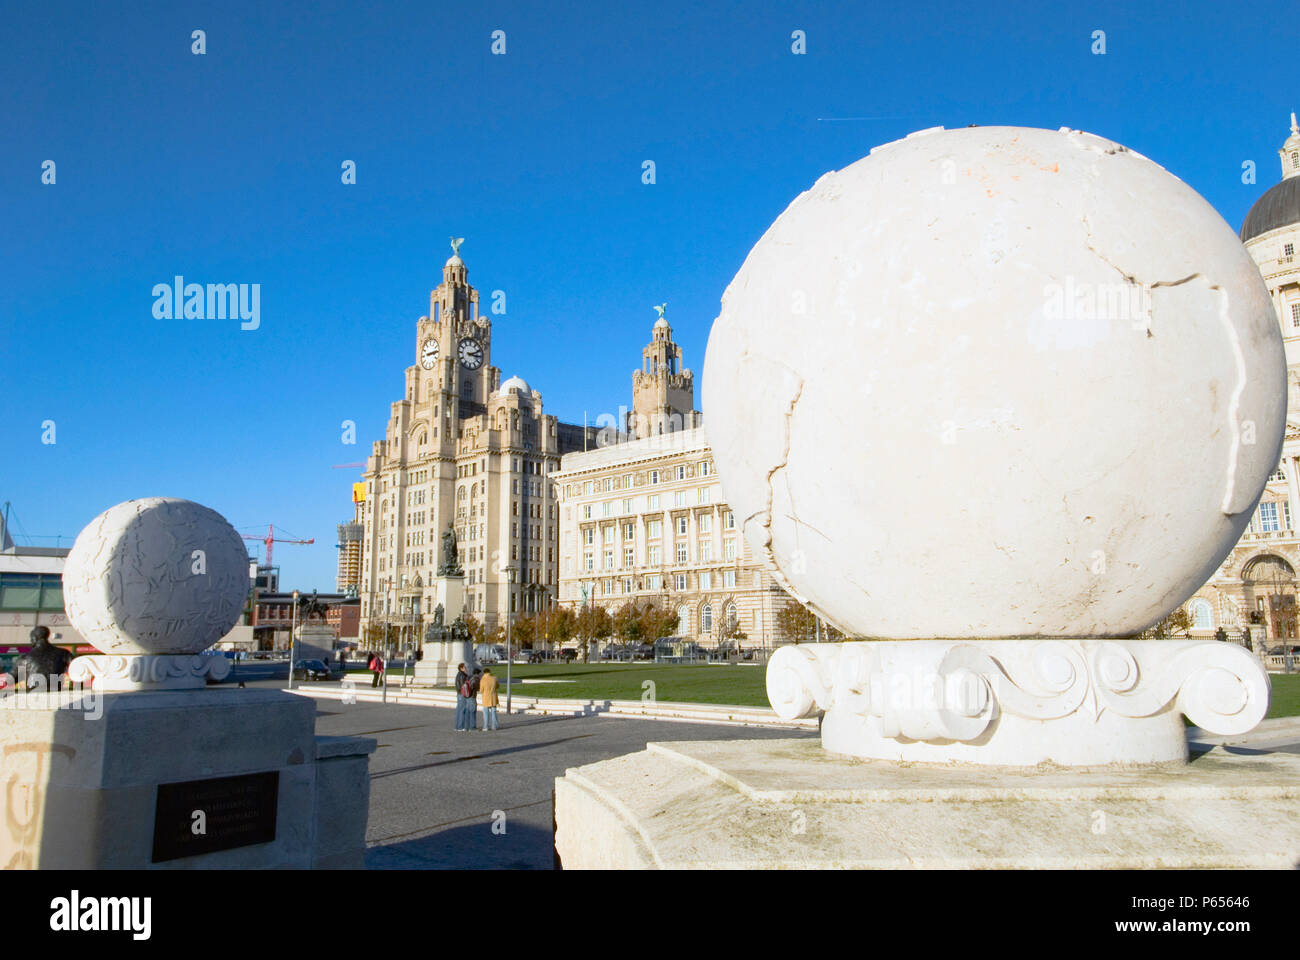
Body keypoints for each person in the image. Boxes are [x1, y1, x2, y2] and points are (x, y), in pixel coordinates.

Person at [455, 662, 471, 731]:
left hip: (459, 694)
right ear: (461, 668)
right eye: (465, 667)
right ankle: (461, 726)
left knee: (459, 710)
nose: (466, 669)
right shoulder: (462, 675)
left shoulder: (459, 674)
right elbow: (463, 686)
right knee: (462, 710)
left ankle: (457, 726)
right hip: (462, 694)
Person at [467, 668, 483, 732]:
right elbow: (476, 687)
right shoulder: (476, 679)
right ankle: (472, 727)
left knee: (468, 712)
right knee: (473, 711)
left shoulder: (469, 677)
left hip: (468, 696)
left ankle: (467, 726)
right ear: (477, 673)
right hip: (472, 695)